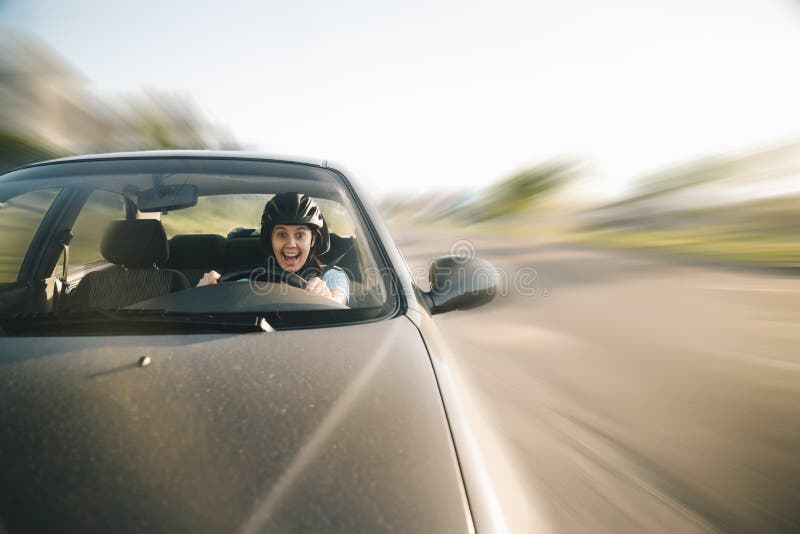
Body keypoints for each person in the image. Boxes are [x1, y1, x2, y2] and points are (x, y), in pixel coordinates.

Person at [197, 193, 349, 305]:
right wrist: (204, 293)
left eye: (300, 235)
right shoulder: (249, 283)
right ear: (270, 240)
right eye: (282, 234)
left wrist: (327, 299)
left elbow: (339, 304)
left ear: (313, 239)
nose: (291, 244)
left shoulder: (332, 277)